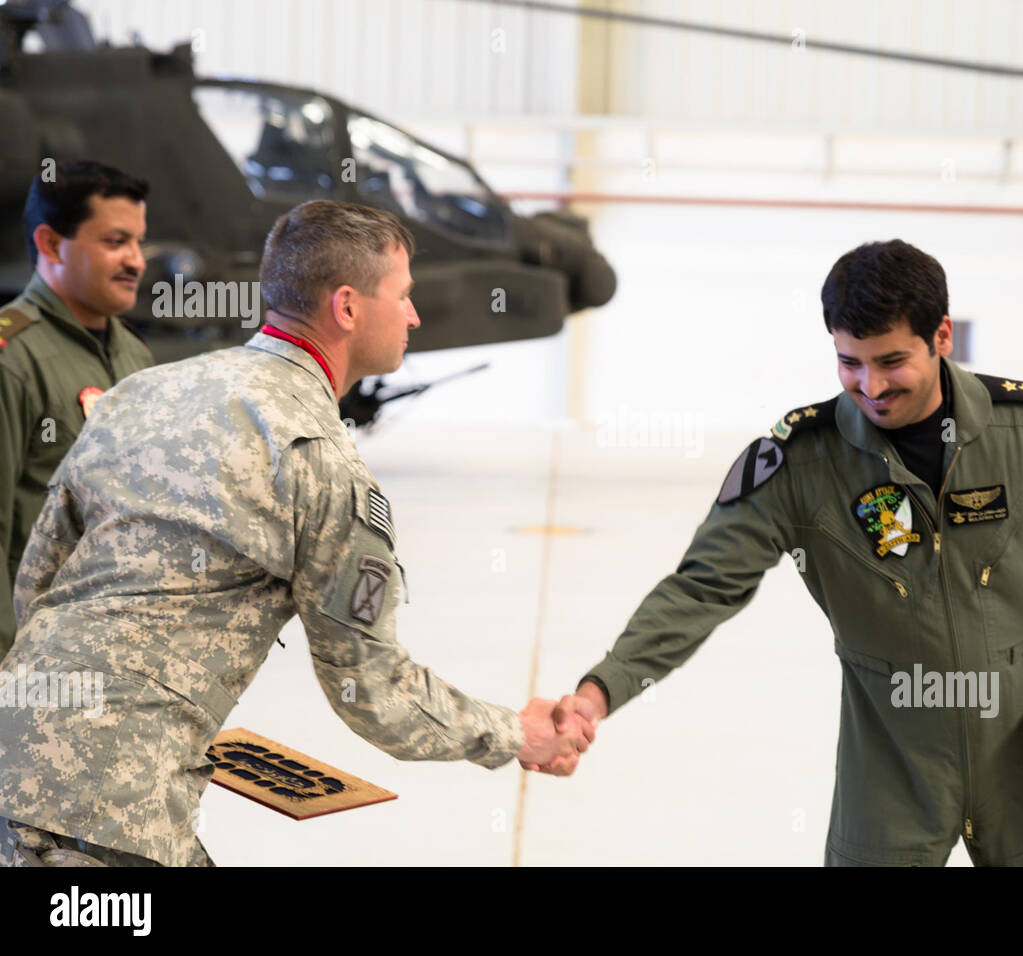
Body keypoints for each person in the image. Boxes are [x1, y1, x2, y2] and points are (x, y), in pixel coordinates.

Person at [0, 200, 591, 868]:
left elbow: (39, 581)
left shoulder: (142, 392)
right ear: (347, 307)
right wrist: (517, 734)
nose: (414, 315)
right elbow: (372, 690)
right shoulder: (320, 461)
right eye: (403, 295)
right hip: (103, 805)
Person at [549, 239, 1023, 866]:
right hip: (889, 762)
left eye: (891, 361)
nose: (871, 386)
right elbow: (702, 587)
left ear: (941, 336)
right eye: (849, 363)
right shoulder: (802, 460)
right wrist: (600, 690)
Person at [0, 161, 154, 656]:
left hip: (116, 651)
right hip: (34, 661)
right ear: (50, 244)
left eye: (138, 241)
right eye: (115, 242)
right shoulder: (13, 358)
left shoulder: (135, 356)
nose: (136, 260)